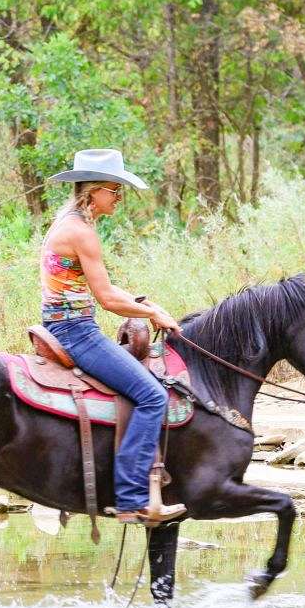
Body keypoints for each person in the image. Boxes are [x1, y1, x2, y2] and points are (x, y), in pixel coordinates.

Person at [41, 149, 186, 525]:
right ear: (91, 192)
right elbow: (106, 299)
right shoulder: (81, 231)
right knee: (153, 396)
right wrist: (152, 313)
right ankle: (132, 497)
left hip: (68, 323)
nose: (118, 197)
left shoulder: (69, 223)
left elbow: (100, 287)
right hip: (76, 331)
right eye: (114, 190)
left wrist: (140, 302)